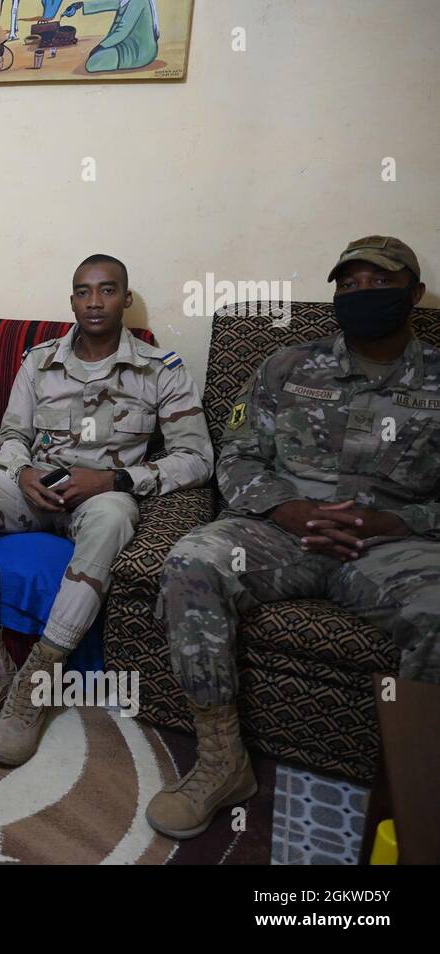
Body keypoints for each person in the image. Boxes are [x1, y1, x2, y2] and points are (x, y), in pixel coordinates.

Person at [147, 235, 440, 840]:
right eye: (348, 284)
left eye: (380, 284)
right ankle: (223, 760)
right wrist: (287, 508)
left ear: (413, 295)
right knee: (192, 561)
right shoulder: (285, 365)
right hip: (282, 534)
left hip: (394, 546)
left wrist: (398, 522)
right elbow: (236, 454)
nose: (362, 295)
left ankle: (416, 796)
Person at [0, 254, 212, 761]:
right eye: (84, 292)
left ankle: (35, 682)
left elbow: (197, 459)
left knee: (112, 516)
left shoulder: (160, 369)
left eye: (107, 291)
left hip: (102, 494)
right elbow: (14, 433)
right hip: (38, 487)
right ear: (72, 300)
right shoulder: (38, 360)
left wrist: (116, 479)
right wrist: (21, 471)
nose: (95, 302)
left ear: (126, 300)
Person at [62, 0, 160, 73]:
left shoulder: (138, 2)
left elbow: (122, 31)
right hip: (124, 43)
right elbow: (105, 3)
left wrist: (100, 46)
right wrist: (80, 5)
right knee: (96, 58)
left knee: (92, 64)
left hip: (139, 51)